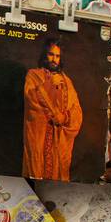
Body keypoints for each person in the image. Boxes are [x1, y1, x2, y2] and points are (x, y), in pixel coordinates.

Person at [22, 39, 83, 180]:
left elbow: (77, 111)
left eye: (57, 56)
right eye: (51, 55)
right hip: (39, 139)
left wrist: (65, 117)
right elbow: (30, 101)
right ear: (45, 55)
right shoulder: (33, 75)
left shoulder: (67, 82)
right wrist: (49, 83)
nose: (54, 59)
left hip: (59, 143)